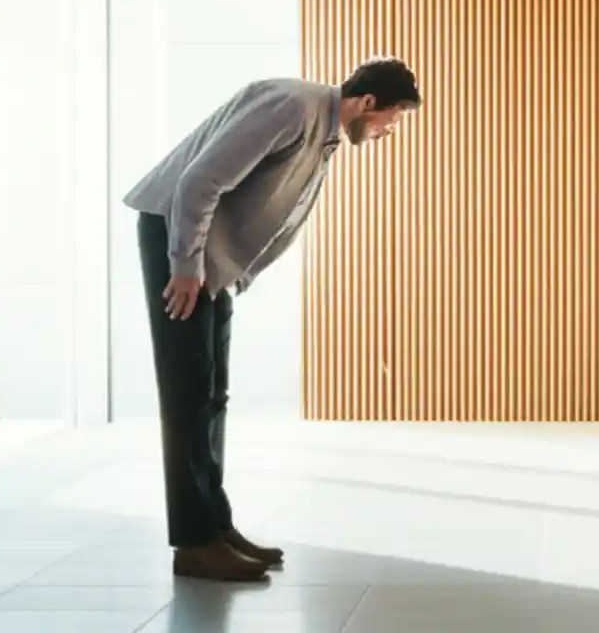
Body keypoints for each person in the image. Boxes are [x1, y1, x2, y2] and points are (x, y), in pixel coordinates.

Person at [123, 58, 421, 582]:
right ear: (367, 103)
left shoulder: (324, 131)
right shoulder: (294, 105)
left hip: (210, 259)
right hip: (180, 242)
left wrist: (229, 274)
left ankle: (216, 526)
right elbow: (199, 180)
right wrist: (186, 266)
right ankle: (193, 543)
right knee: (187, 391)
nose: (388, 131)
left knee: (212, 393)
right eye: (391, 119)